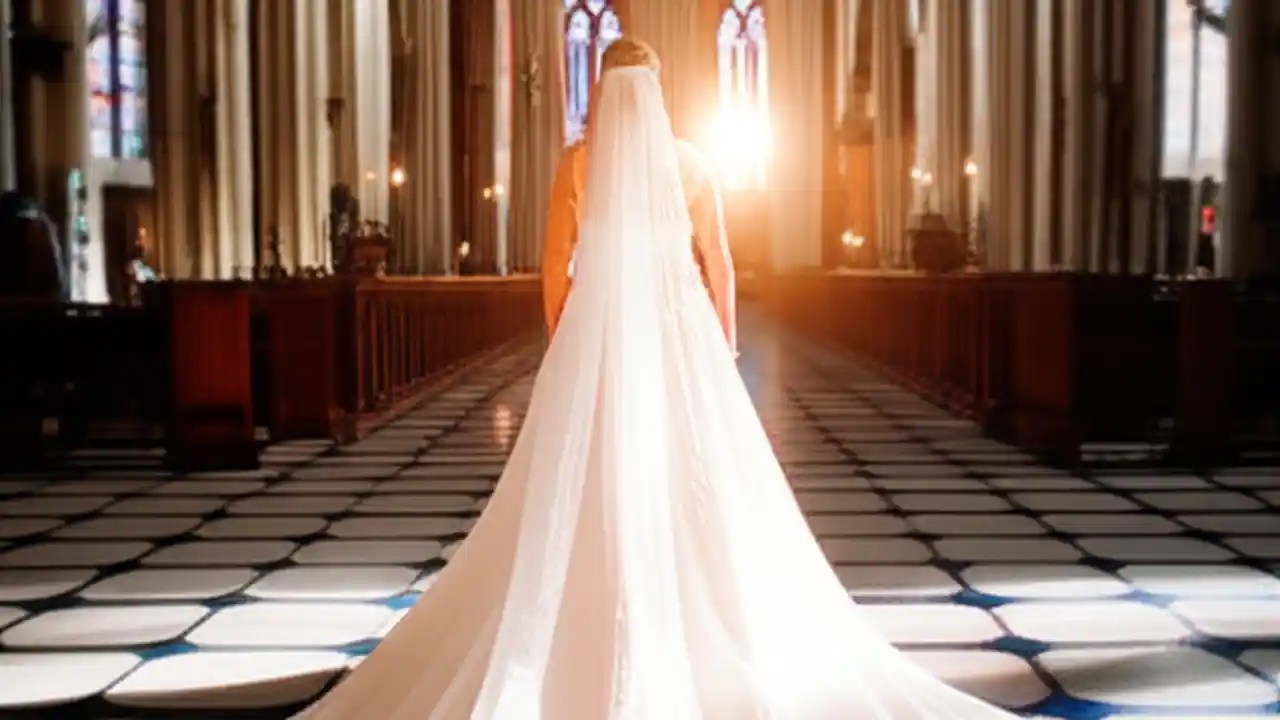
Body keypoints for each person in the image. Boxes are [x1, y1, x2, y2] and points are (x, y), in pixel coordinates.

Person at [299, 40, 1014, 720]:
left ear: (605, 95)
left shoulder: (579, 164)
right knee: (693, 479)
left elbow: (554, 266)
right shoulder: (694, 165)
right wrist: (723, 349)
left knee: (593, 480)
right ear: (658, 92)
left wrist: (566, 343)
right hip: (683, 341)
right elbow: (723, 265)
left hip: (596, 344)